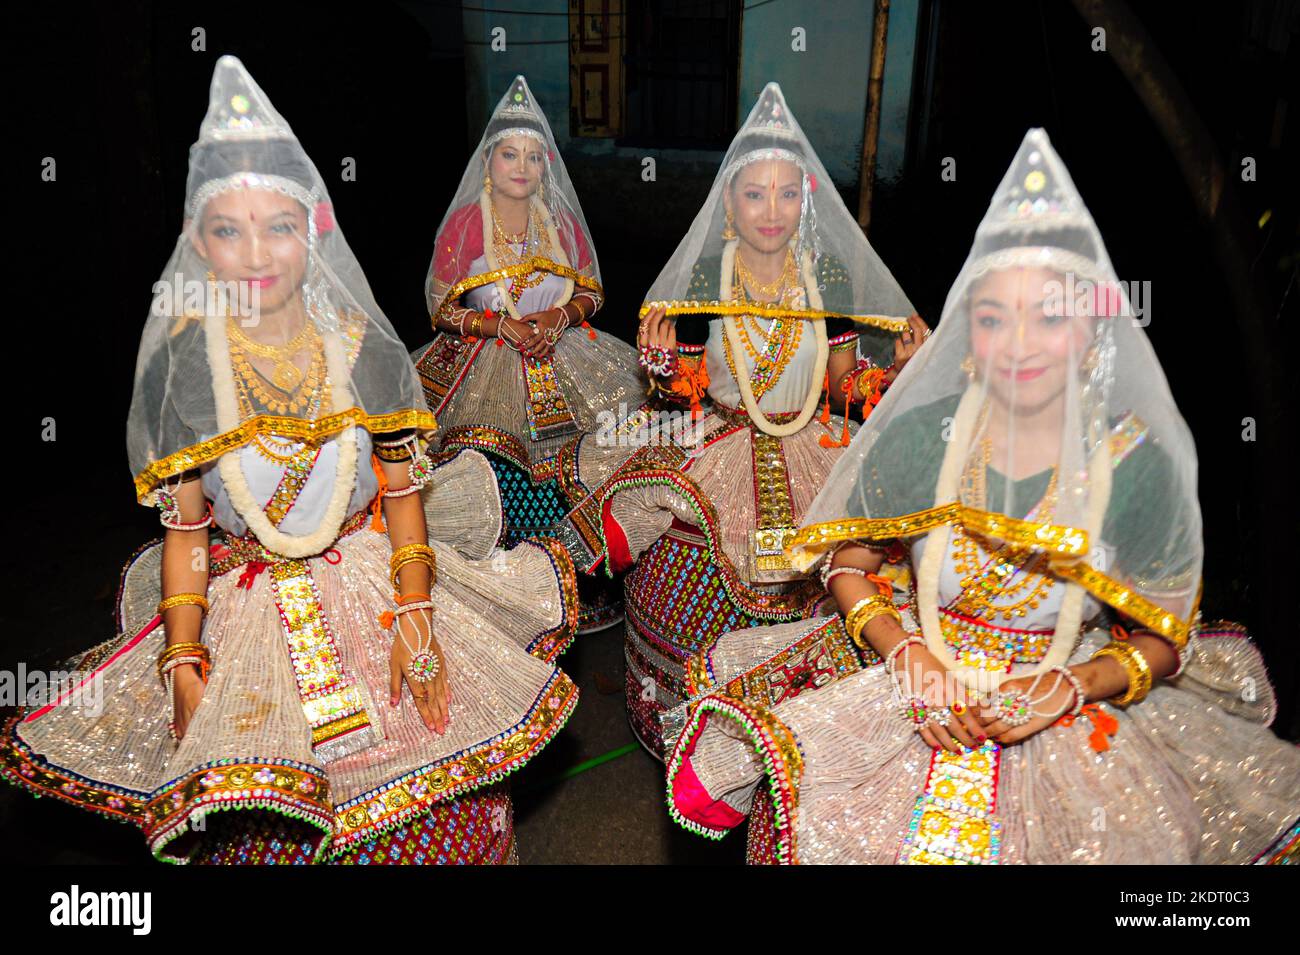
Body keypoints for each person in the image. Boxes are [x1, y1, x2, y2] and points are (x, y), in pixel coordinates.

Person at [0, 56, 580, 864]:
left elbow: (401, 492)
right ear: (199, 242)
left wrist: (416, 612)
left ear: (311, 232)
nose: (257, 252)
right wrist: (184, 657)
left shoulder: (361, 353)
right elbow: (189, 534)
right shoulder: (186, 377)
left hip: (372, 589)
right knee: (269, 829)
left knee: (435, 808)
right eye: (229, 229)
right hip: (247, 614)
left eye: (278, 225)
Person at [664, 129, 1300, 864]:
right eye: (994, 318)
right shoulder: (926, 439)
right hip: (913, 680)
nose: (1019, 344)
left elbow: (1164, 639)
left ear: (1093, 334)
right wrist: (906, 656)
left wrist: (1073, 684)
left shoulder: (1133, 468)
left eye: (1049, 317)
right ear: (969, 336)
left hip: (1063, 705)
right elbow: (845, 563)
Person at [552, 83, 926, 757]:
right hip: (716, 439)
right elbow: (685, 396)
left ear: (805, 199)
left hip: (812, 441)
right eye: (756, 193)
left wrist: (895, 376)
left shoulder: (827, 279)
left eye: (787, 194)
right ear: (729, 202)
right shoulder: (701, 284)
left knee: (854, 551)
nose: (772, 210)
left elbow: (842, 385)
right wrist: (666, 371)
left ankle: (795, 729)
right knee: (672, 537)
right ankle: (691, 727)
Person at [412, 75, 642, 634]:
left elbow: (592, 291)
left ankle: (571, 586)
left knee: (574, 463)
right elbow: (440, 305)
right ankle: (503, 594)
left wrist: (557, 316)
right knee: (493, 464)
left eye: (534, 158)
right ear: (488, 162)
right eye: (509, 154)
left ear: (546, 167)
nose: (521, 166)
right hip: (484, 359)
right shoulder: (466, 224)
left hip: (562, 354)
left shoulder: (560, 220)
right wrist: (498, 324)